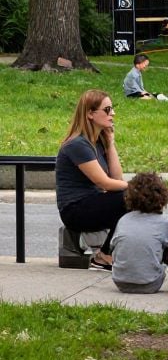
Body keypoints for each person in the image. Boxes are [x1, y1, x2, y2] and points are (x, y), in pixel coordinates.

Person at [55, 90, 128, 270]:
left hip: (91, 202)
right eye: (107, 109)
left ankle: (117, 253)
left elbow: (116, 178)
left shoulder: (97, 142)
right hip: (75, 210)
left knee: (132, 197)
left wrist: (110, 143)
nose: (113, 113)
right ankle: (104, 256)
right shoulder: (77, 144)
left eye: (112, 109)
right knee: (130, 197)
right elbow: (104, 183)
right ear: (90, 113)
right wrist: (138, 188)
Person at [111, 172, 168, 294]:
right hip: (150, 284)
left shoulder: (123, 220)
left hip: (120, 282)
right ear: (162, 197)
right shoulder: (163, 223)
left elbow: (112, 247)